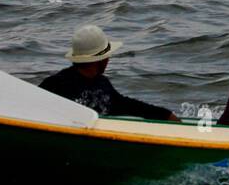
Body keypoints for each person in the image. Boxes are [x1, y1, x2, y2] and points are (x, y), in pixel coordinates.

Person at [41, 24, 177, 120]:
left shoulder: (102, 83)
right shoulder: (56, 84)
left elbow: (128, 105)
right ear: (101, 60)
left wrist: (164, 114)